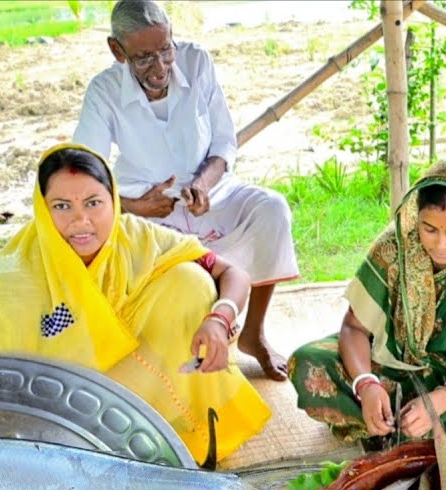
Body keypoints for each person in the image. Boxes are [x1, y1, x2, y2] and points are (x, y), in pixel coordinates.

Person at [0, 144, 270, 465]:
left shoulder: (137, 238)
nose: (81, 221)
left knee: (189, 281)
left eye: (93, 203)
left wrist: (220, 318)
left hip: (148, 384)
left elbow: (232, 273)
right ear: (42, 208)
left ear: (114, 201)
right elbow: (17, 378)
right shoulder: (17, 276)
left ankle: (177, 431)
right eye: (62, 206)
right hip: (74, 408)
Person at [73, 0, 298, 382]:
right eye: (144, 58)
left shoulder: (197, 62)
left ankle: (253, 335)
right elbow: (85, 171)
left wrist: (203, 184)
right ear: (117, 50)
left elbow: (223, 142)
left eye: (166, 50)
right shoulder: (104, 90)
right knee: (174, 274)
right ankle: (177, 344)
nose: (160, 67)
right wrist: (136, 206)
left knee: (271, 210)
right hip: (145, 205)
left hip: (210, 191)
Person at [289, 160, 446, 454]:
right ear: (416, 215)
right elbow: (354, 327)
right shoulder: (395, 247)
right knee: (308, 362)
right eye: (429, 229)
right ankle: (410, 430)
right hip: (395, 367)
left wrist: (443, 399)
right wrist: (366, 385)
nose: (440, 245)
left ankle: (409, 435)